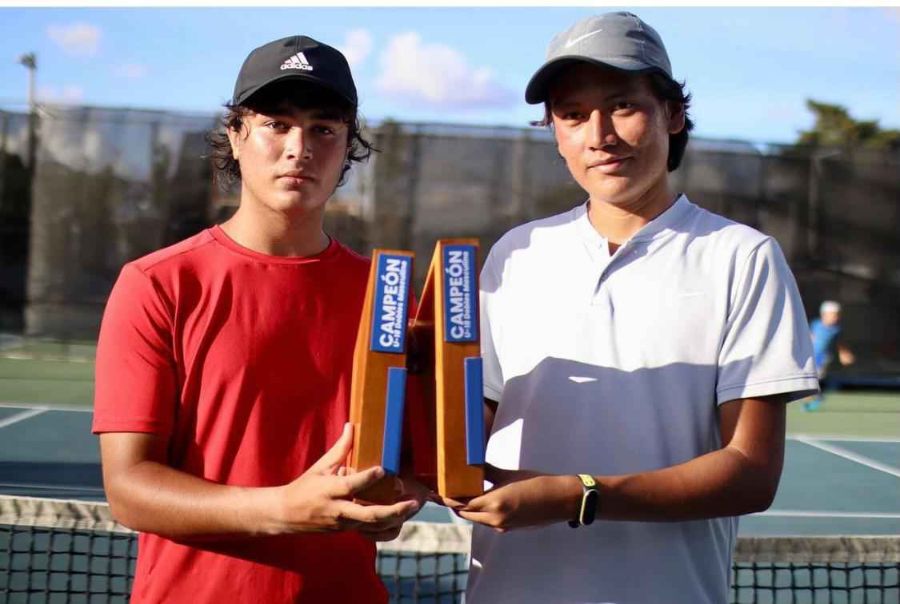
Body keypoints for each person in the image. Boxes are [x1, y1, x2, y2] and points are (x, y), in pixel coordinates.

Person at [448, 12, 820, 604]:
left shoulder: (743, 257)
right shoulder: (514, 253)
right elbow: (464, 432)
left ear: (672, 114)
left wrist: (580, 495)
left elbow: (751, 472)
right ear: (554, 131)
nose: (599, 134)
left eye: (622, 105)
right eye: (572, 115)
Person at [92, 35, 425, 603]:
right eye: (276, 123)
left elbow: (409, 465)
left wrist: (395, 494)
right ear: (236, 134)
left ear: (348, 148)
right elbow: (129, 489)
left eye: (324, 129)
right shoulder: (158, 284)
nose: (300, 148)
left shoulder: (388, 293)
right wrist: (284, 510)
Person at [805, 300, 855, 411]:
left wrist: (844, 354)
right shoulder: (815, 324)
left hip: (823, 359)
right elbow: (809, 336)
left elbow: (840, 344)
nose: (836, 318)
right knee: (808, 380)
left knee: (813, 380)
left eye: (837, 315)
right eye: (833, 315)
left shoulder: (836, 330)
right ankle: (814, 398)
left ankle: (814, 398)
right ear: (824, 314)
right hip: (810, 357)